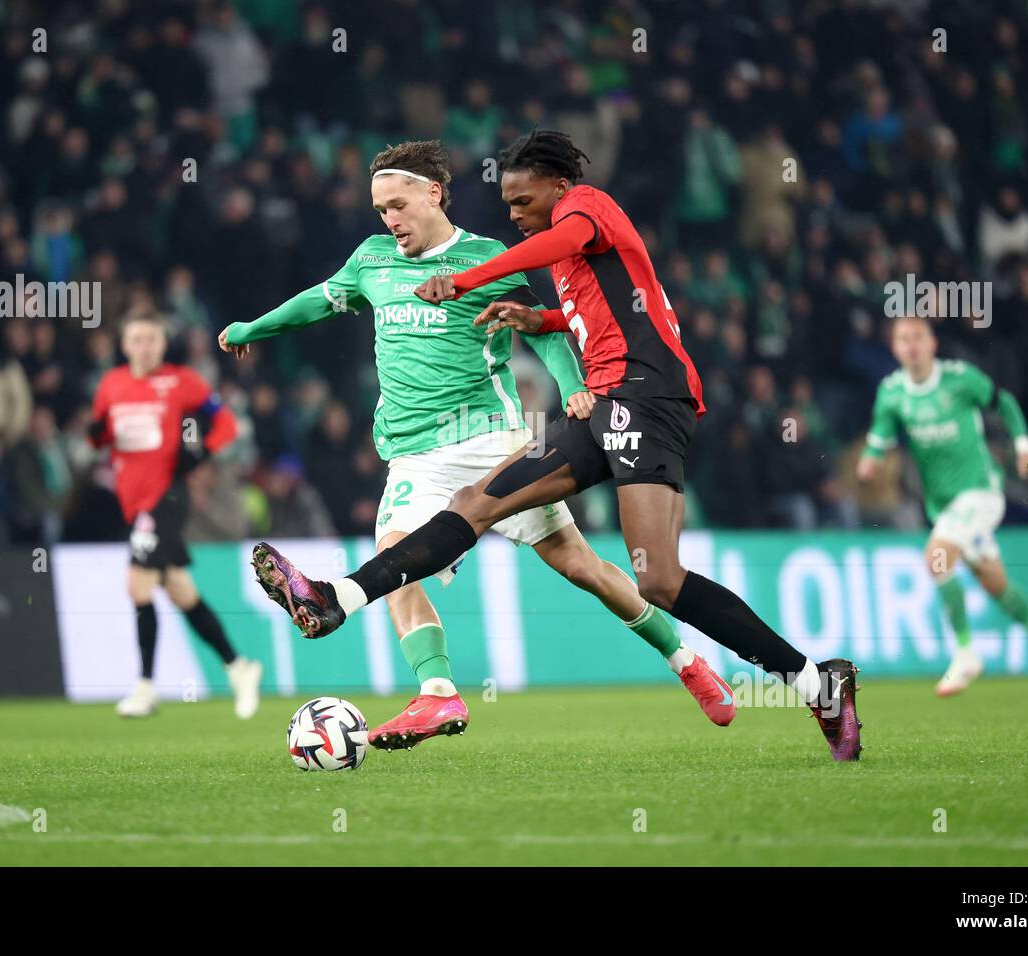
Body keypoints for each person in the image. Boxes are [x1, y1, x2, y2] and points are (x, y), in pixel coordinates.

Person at [247, 131, 861, 761]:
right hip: (604, 403)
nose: (514, 215)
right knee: (474, 505)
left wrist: (467, 282)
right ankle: (334, 598)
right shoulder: (558, 262)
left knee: (660, 580)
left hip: (647, 399)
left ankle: (814, 682)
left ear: (558, 185)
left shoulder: (586, 208)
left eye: (521, 200)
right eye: (507, 204)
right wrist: (536, 320)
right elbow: (591, 317)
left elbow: (555, 244)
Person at [857, 314, 1028, 696]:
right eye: (904, 339)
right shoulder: (892, 392)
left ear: (932, 343)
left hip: (981, 491)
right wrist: (869, 460)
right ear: (895, 348)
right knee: (992, 580)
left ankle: (966, 653)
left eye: (918, 337)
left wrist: (1025, 450)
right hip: (943, 504)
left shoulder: (960, 378)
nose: (912, 345)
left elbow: (1005, 403)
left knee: (936, 556)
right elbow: (880, 436)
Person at [89, 314, 262, 718]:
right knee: (180, 590)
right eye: (137, 339)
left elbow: (226, 423)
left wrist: (202, 451)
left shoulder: (182, 381)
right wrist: (96, 433)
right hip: (133, 503)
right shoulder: (111, 385)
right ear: (125, 344)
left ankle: (146, 687)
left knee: (138, 586)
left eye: (152, 339)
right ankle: (239, 667)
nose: (145, 346)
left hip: (165, 497)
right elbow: (99, 437)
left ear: (162, 345)